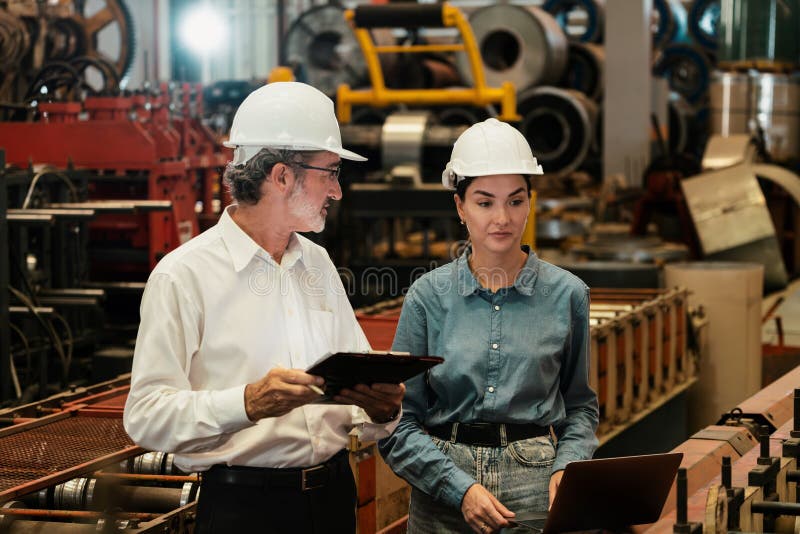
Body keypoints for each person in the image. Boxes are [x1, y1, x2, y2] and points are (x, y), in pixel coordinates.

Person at [123, 82, 404, 533]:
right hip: (245, 508)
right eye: (330, 172)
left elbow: (354, 388)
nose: (337, 191)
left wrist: (381, 410)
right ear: (282, 176)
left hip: (333, 496)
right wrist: (247, 403)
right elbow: (146, 416)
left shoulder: (317, 263)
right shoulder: (184, 275)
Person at [378, 118, 599, 533]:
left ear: (530, 203)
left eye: (515, 201)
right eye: (484, 202)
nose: (502, 217)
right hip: (442, 490)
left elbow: (580, 408)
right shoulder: (428, 297)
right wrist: (458, 489)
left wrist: (567, 466)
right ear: (460, 207)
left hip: (534, 489)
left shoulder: (567, 295)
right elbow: (398, 422)